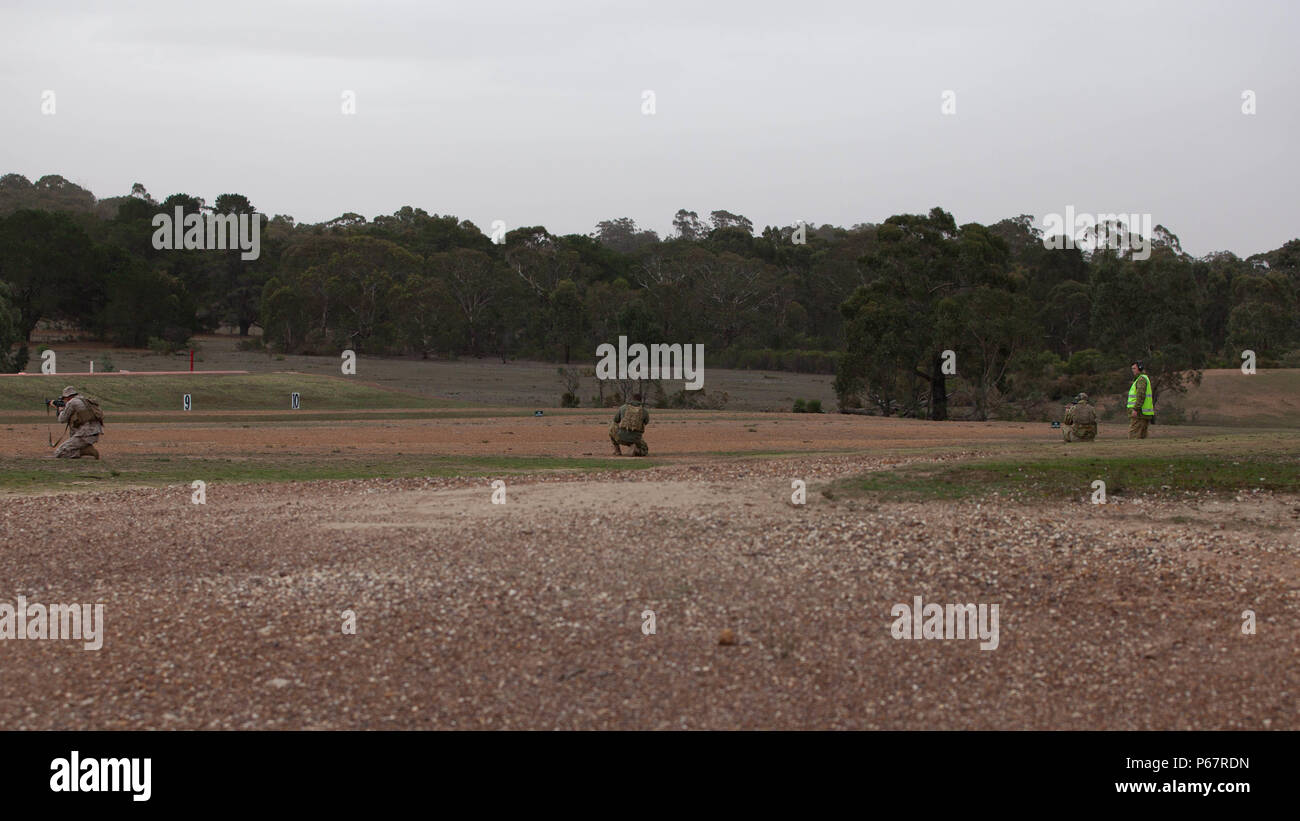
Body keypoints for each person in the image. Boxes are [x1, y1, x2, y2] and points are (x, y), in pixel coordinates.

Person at [52, 386, 103, 459]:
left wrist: (60, 410)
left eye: (64, 398)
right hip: (94, 432)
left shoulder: (72, 402)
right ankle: (85, 448)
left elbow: (61, 419)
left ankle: (85, 451)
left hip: (85, 434)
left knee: (59, 453)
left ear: (68, 397)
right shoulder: (84, 400)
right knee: (70, 447)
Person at [609, 392, 649, 456]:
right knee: (645, 450)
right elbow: (646, 422)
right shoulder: (644, 411)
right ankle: (636, 450)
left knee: (612, 427)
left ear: (631, 399)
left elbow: (616, 420)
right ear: (640, 400)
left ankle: (617, 451)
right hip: (636, 439)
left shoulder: (623, 407)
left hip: (621, 437)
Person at [1126, 361, 1155, 439]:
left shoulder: (1141, 379)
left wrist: (1135, 409)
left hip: (1139, 413)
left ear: (1140, 368)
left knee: (1134, 436)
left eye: (1134, 368)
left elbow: (1141, 395)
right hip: (1143, 412)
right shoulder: (1144, 378)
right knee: (1142, 437)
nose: (1133, 370)